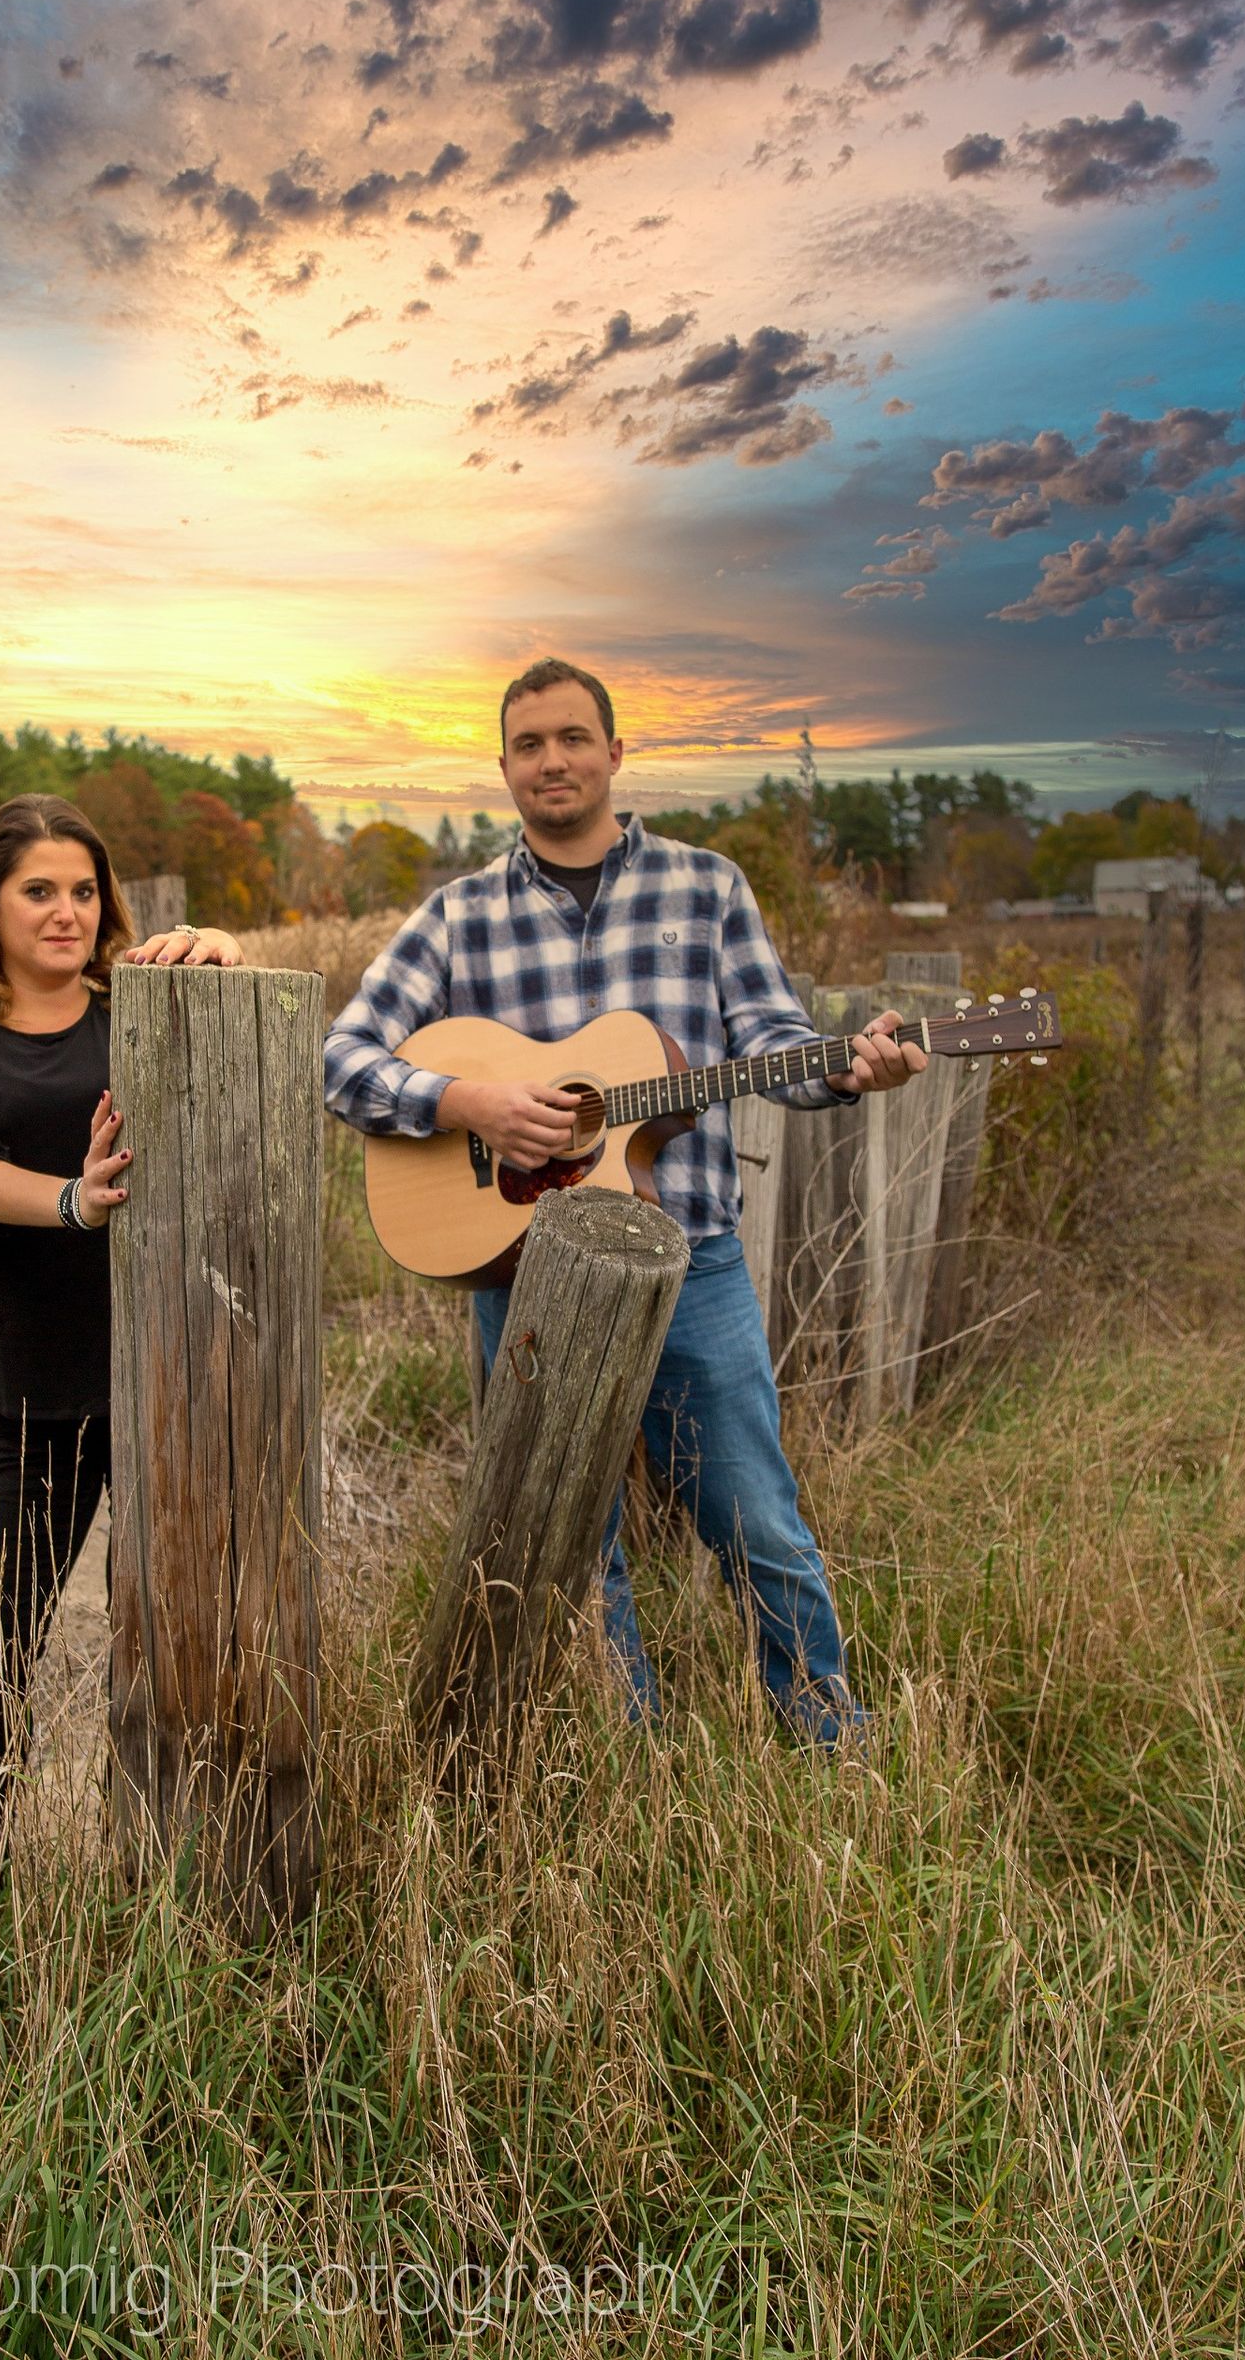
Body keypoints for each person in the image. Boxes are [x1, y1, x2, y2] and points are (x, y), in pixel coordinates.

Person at [324, 657, 927, 1742]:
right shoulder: (458, 916)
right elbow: (344, 1060)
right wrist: (474, 1103)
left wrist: (848, 1066)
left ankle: (830, 1734)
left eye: (569, 738)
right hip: (530, 1271)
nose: (550, 761)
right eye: (527, 745)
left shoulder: (707, 888)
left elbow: (774, 1045)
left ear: (613, 751)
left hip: (690, 1258)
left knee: (758, 1520)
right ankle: (624, 1754)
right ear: (505, 766)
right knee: (568, 1536)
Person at [0, 793, 244, 1891]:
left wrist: (227, 956)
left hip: (166, 1400)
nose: (66, 911)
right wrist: (78, 1201)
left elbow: (247, 1058)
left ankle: (179, 1894)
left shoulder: (142, 1009)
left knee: (186, 1667)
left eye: (84, 891)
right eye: (39, 889)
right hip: (29, 1415)